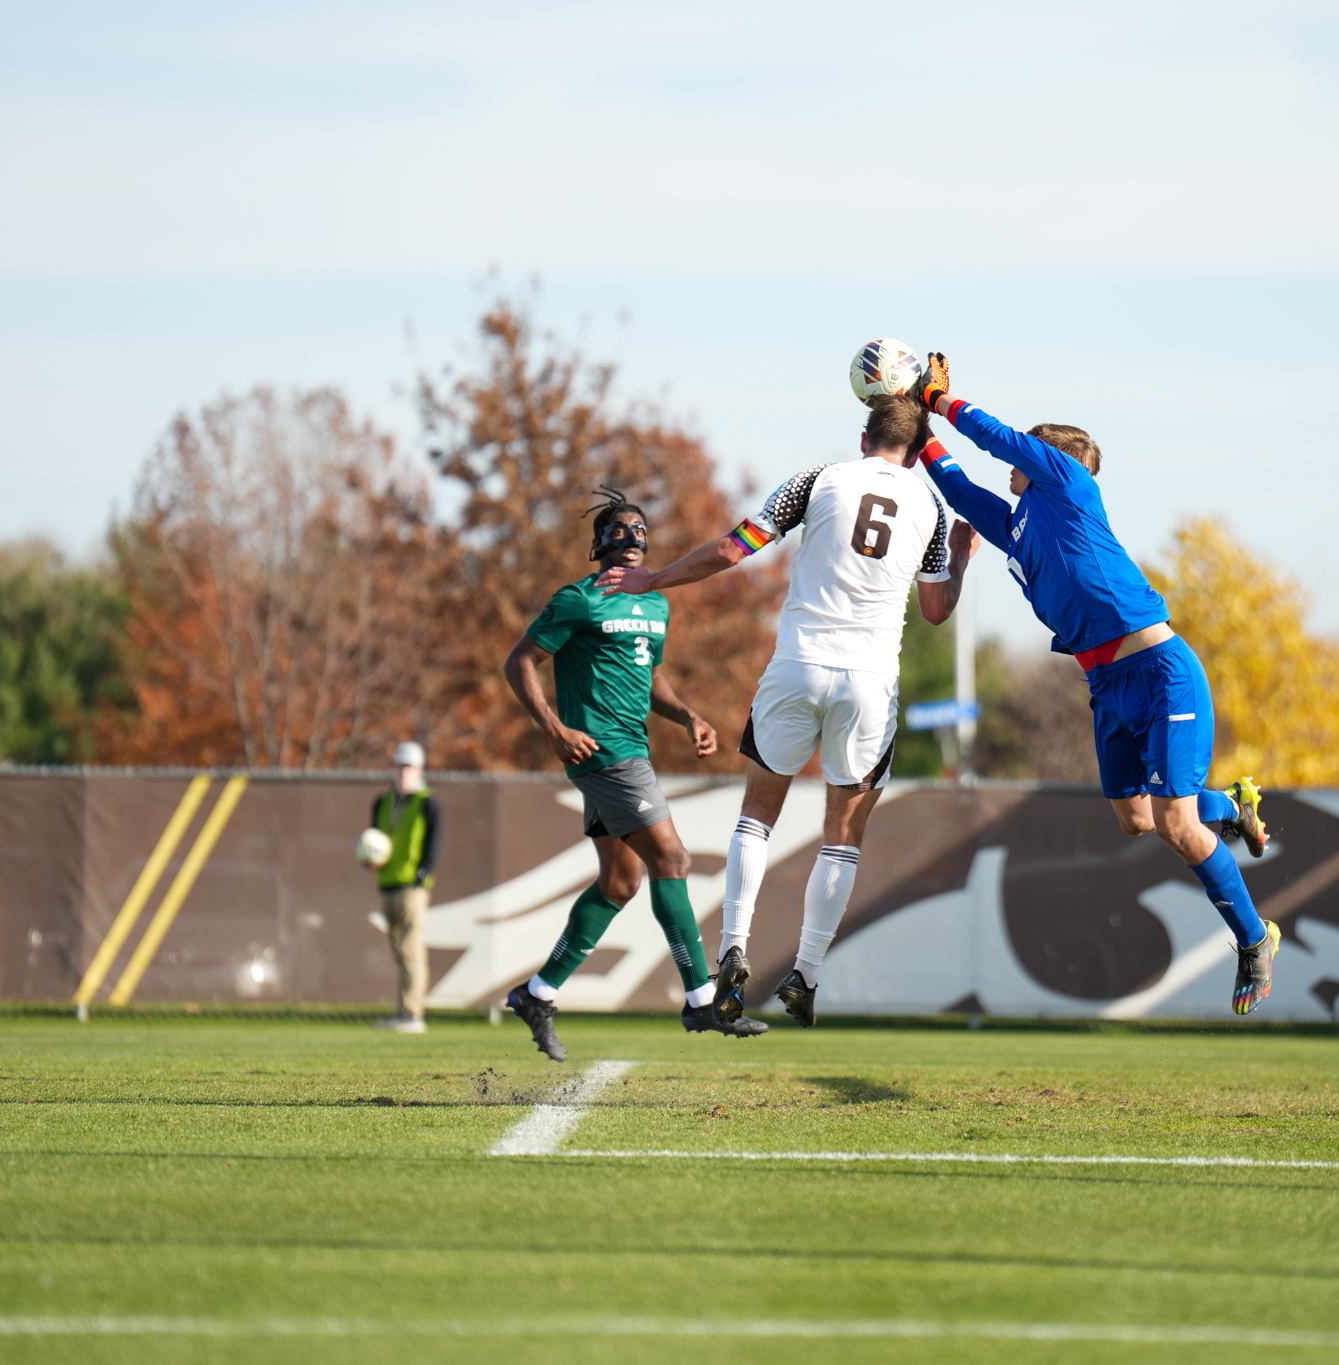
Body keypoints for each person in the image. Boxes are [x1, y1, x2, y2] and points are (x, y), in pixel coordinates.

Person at [913, 355, 1281, 1015]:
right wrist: (921, 437)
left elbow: (999, 437)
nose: (1012, 461)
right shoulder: (1023, 522)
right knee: (1137, 819)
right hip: (1108, 686)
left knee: (1174, 821)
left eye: (1027, 451)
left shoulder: (1070, 485)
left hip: (1160, 672)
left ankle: (1254, 937)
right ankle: (1230, 805)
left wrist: (941, 400)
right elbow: (964, 493)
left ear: (1052, 458)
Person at [599, 394, 978, 1027]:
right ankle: (806, 973)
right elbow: (937, 610)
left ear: (863, 438)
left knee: (756, 817)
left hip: (798, 664)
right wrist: (960, 558)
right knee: (843, 834)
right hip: (869, 681)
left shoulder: (817, 480)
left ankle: (732, 951)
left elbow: (730, 549)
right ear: (915, 454)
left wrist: (651, 578)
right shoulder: (932, 509)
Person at [501, 488, 770, 1061]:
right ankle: (702, 999)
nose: (629, 540)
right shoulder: (578, 599)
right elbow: (519, 660)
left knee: (621, 882)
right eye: (617, 531)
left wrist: (688, 715)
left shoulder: (655, 604)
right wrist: (553, 727)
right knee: (672, 860)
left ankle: (537, 993)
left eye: (637, 530)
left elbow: (650, 677)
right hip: (602, 752)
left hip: (634, 750)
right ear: (599, 545)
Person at [371, 740, 439, 1033]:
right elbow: (375, 841)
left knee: (411, 949)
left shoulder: (427, 803)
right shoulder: (382, 802)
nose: (403, 772)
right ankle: (403, 1010)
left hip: (411, 887)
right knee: (399, 951)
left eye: (409, 767)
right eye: (399, 766)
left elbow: (434, 844)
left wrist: (422, 877)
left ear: (420, 770)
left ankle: (412, 1014)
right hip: (386, 884)